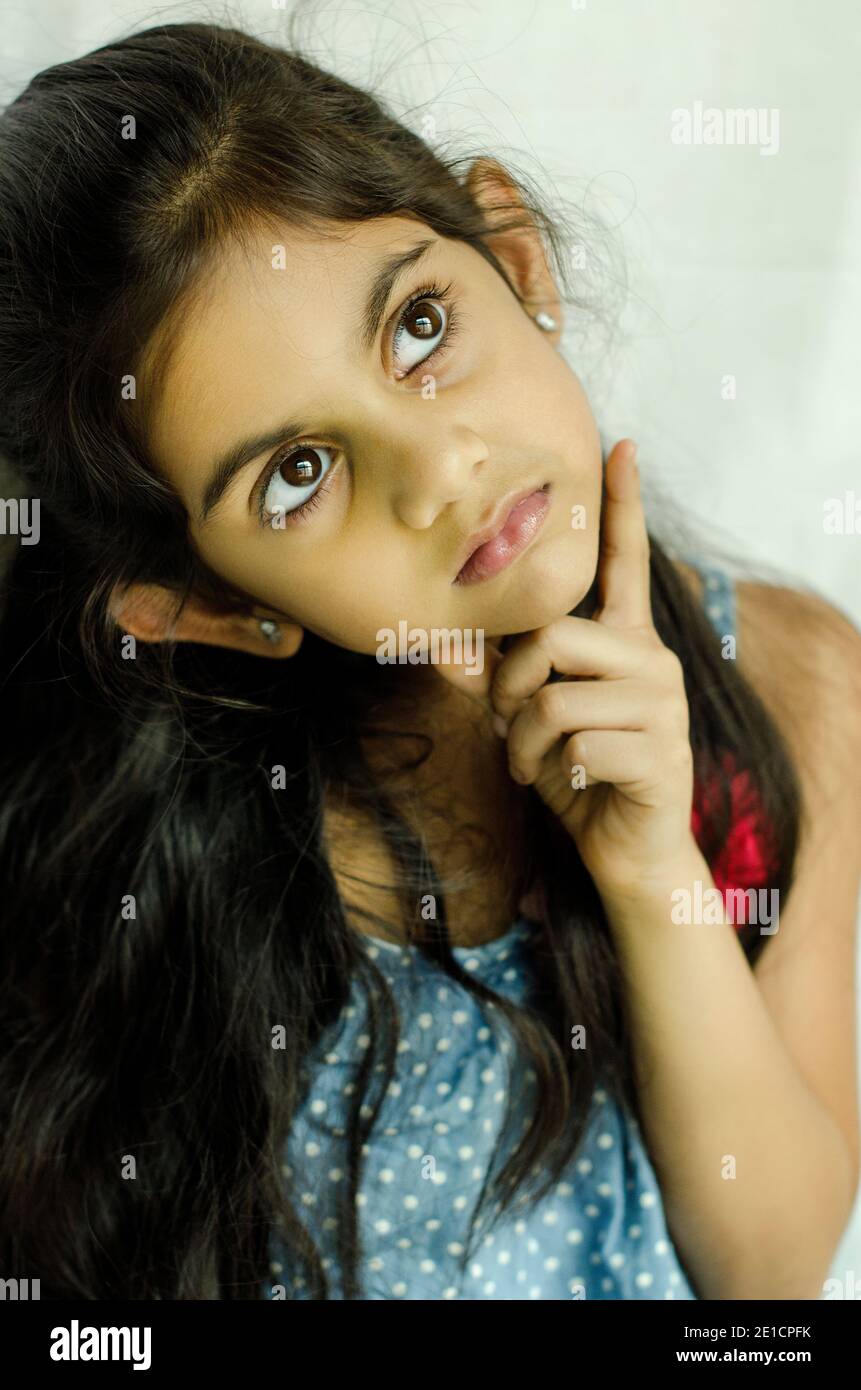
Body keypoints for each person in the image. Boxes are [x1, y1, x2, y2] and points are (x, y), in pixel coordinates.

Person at [0, 19, 858, 1302]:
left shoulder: (795, 684)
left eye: (415, 326)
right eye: (299, 474)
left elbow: (773, 1277)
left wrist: (651, 871)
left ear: (513, 256)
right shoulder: (124, 852)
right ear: (215, 606)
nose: (439, 470)